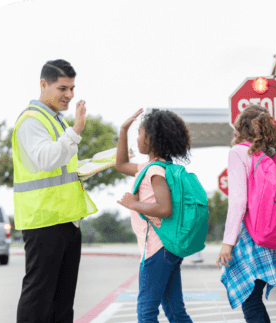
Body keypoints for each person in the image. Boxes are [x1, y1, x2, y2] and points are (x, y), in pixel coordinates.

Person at [12, 59, 98, 323]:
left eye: (72, 88)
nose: (69, 95)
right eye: (62, 88)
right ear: (43, 84)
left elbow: (60, 166)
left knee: (62, 300)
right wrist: (76, 131)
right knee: (39, 296)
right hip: (44, 220)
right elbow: (45, 159)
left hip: (66, 219)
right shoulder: (31, 121)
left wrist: (92, 165)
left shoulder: (55, 121)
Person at [217, 105, 276, 323]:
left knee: (250, 300)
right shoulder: (273, 154)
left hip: (252, 235)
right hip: (275, 233)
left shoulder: (238, 152)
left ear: (241, 129)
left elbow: (238, 202)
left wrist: (228, 243)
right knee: (254, 299)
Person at [115, 108, 194, 323]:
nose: (137, 138)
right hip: (166, 248)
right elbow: (121, 164)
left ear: (150, 139)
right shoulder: (153, 167)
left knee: (146, 311)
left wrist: (134, 204)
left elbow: (164, 208)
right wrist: (123, 130)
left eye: (139, 133)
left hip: (157, 249)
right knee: (174, 310)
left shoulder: (154, 172)